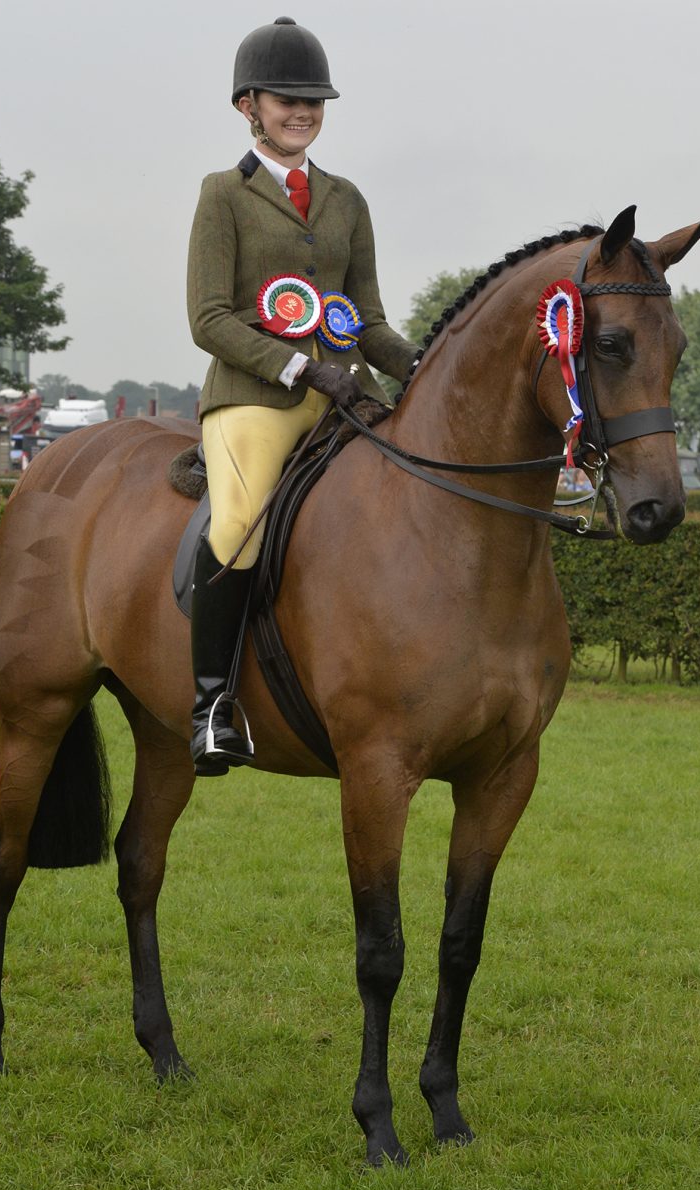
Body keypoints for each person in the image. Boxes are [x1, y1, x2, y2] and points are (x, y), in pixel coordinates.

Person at [185, 16, 418, 776]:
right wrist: (298, 367)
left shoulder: (346, 200)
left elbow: (370, 320)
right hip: (255, 397)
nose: (304, 111)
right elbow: (208, 318)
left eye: (314, 100)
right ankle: (214, 703)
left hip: (352, 389)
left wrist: (421, 369)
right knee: (240, 526)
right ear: (248, 105)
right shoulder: (224, 195)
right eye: (288, 99)